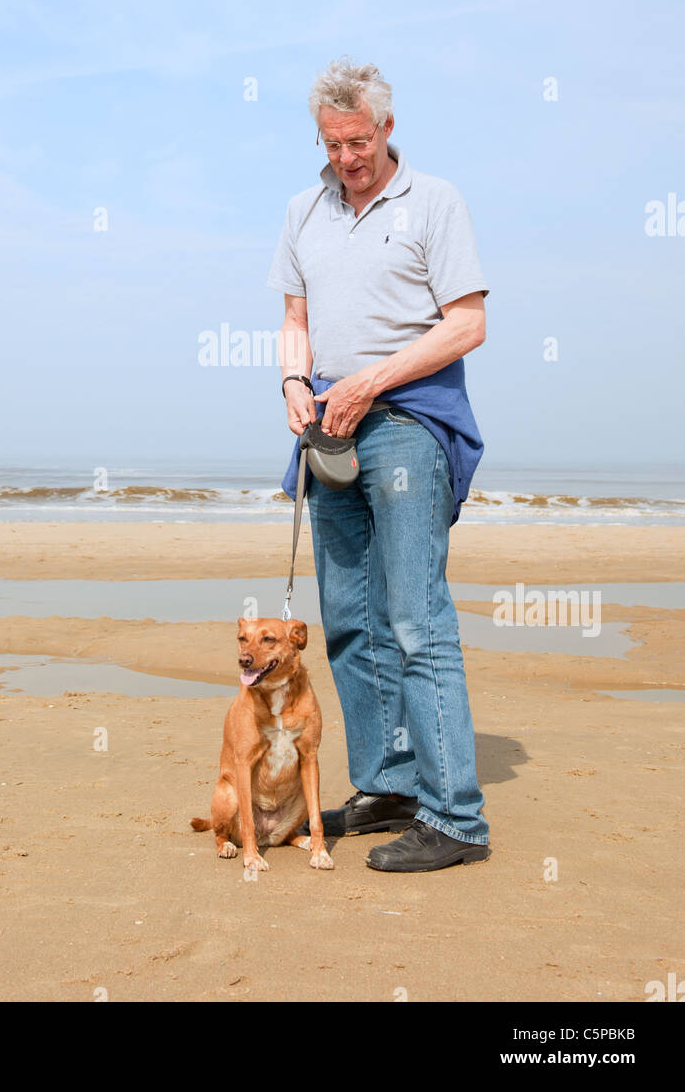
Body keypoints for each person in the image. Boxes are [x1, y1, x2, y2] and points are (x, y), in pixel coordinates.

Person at [267, 56, 491, 872]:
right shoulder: (303, 208)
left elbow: (466, 325)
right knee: (352, 623)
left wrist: (372, 379)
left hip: (407, 423)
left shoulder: (435, 201)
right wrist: (295, 378)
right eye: (332, 144)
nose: (346, 159)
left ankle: (456, 819)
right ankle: (389, 785)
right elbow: (295, 317)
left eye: (357, 141)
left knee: (414, 621)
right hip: (329, 431)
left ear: (386, 128)